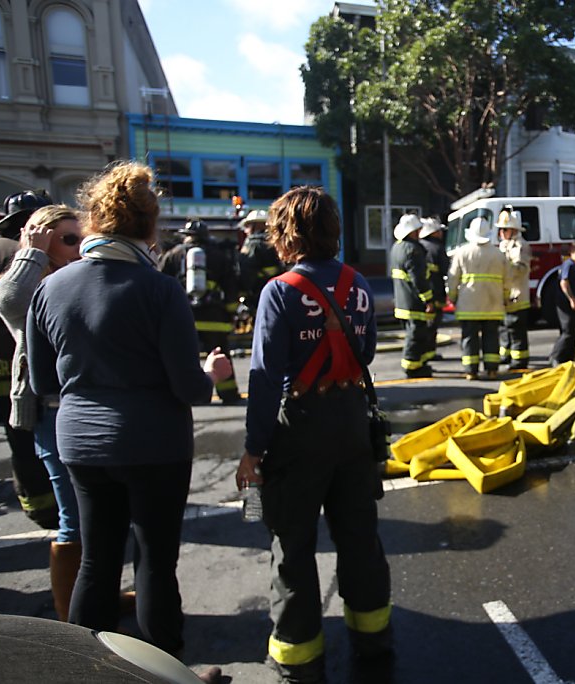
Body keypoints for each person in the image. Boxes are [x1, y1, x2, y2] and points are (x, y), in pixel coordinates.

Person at [26, 162, 231, 683]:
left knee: (96, 562)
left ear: (94, 221)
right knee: (155, 563)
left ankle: (81, 672)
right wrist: (211, 373)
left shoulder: (50, 289)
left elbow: (44, 381)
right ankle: (164, 674)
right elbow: (190, 388)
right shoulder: (160, 290)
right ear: (149, 226)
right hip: (154, 443)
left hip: (82, 443)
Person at [235, 186, 391, 684]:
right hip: (351, 424)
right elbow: (363, 352)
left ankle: (299, 660)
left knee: (294, 547)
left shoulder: (279, 291)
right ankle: (372, 640)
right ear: (333, 230)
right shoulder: (358, 283)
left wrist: (253, 451)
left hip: (298, 429)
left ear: (284, 235)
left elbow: (263, 379)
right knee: (360, 539)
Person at [0, 204, 86, 621]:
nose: (78, 246)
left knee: (98, 516)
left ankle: (93, 596)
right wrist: (32, 252)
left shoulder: (79, 274)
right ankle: (72, 617)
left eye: (81, 236)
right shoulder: (29, 281)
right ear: (40, 241)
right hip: (50, 412)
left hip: (87, 407)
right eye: (67, 239)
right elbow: (8, 301)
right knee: (73, 518)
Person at [0, 190, 59, 531]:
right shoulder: (34, 256)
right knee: (44, 446)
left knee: (19, 442)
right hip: (34, 369)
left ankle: (37, 505)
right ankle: (51, 505)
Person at [159, 218, 241, 402]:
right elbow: (231, 287)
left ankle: (192, 395)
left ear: (186, 236)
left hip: (183, 318)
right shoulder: (219, 255)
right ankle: (229, 394)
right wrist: (230, 312)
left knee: (186, 359)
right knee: (220, 356)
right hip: (215, 318)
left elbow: (160, 284)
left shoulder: (173, 255)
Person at [448, 217, 510, 380]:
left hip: (469, 304)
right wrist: (506, 298)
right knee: (491, 337)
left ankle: (471, 371)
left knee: (469, 338)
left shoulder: (462, 252)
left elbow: (453, 278)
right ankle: (492, 370)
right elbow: (507, 280)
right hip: (493, 303)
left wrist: (452, 297)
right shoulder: (499, 254)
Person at [390, 213, 434, 378]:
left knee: (415, 333)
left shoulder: (397, 247)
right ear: (413, 231)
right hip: (414, 302)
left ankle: (419, 363)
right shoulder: (413, 250)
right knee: (416, 335)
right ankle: (412, 366)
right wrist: (428, 299)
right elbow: (419, 279)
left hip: (402, 302)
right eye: (418, 230)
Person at [497, 209, 532, 369]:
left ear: (513, 230)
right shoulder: (503, 245)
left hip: (517, 295)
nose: (501, 232)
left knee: (516, 329)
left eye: (504, 229)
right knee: (504, 328)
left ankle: (519, 360)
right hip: (504, 294)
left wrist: (503, 267)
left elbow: (520, 269)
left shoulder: (521, 246)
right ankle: (505, 354)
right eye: (500, 229)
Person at [238, 209, 283, 320]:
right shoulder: (278, 243)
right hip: (280, 294)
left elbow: (246, 274)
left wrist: (244, 294)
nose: (246, 230)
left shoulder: (252, 245)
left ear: (255, 225)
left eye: (247, 226)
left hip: (258, 296)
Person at [550, 241, 575, 366]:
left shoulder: (570, 265)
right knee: (567, 332)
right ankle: (556, 357)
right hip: (566, 305)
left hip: (568, 305)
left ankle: (568, 358)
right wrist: (572, 300)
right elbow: (564, 283)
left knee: (571, 332)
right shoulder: (569, 265)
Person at [418, 217, 448, 363]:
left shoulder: (418, 246)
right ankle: (429, 352)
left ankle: (425, 353)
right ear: (434, 233)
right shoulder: (437, 248)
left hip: (422, 292)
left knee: (425, 325)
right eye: (439, 231)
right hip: (435, 291)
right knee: (433, 324)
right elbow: (446, 269)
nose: (441, 233)